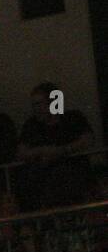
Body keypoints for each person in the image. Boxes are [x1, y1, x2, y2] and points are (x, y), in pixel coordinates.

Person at [17, 81, 96, 209]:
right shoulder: (31, 125)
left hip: (75, 178)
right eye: (34, 105)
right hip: (44, 184)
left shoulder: (72, 118)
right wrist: (43, 150)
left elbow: (88, 139)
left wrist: (62, 151)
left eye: (39, 104)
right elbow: (21, 152)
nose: (36, 109)